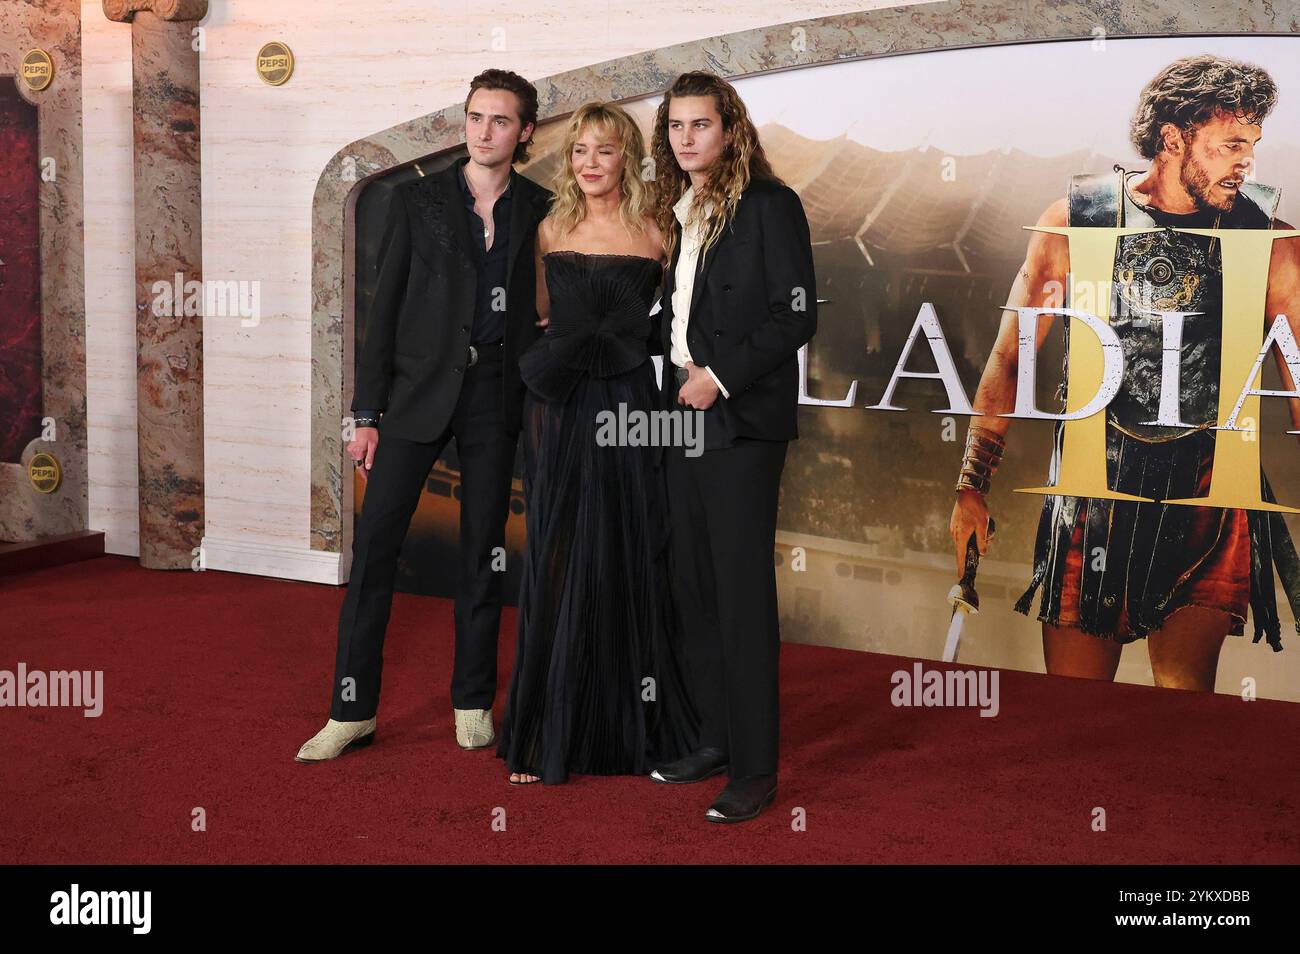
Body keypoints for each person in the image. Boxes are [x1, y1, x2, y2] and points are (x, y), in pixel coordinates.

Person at [950, 54, 1300, 692]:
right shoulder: (1075, 221)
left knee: (1183, 702)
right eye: (1228, 145)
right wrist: (972, 483)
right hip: (1093, 487)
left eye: (1251, 145)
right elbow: (1010, 356)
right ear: (1173, 140)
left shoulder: (1270, 240)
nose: (1246, 161)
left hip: (1209, 490)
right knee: (1077, 711)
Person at [296, 69, 554, 762]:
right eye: (476, 117)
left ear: (524, 132)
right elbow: (382, 314)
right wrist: (366, 413)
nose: (484, 130)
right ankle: (351, 710)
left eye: (500, 121)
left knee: (483, 555)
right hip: (413, 397)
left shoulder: (542, 206)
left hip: (495, 397)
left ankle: (472, 701)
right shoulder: (417, 201)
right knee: (376, 546)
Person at [495, 102, 700, 784]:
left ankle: (629, 727)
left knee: (630, 546)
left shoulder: (659, 230)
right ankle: (543, 731)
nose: (587, 162)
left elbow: (680, 322)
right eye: (578, 150)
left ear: (628, 160)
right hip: (557, 403)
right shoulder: (551, 226)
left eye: (603, 151)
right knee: (556, 549)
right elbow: (538, 316)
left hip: (630, 403)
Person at [645, 72, 817, 823]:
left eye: (700, 125)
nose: (687, 139)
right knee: (693, 588)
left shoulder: (771, 205)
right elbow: (677, 313)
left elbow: (796, 315)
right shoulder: (677, 209)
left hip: (740, 423)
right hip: (676, 417)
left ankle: (755, 770)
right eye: (676, 127)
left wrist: (718, 376)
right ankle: (712, 739)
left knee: (742, 599)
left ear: (730, 129)